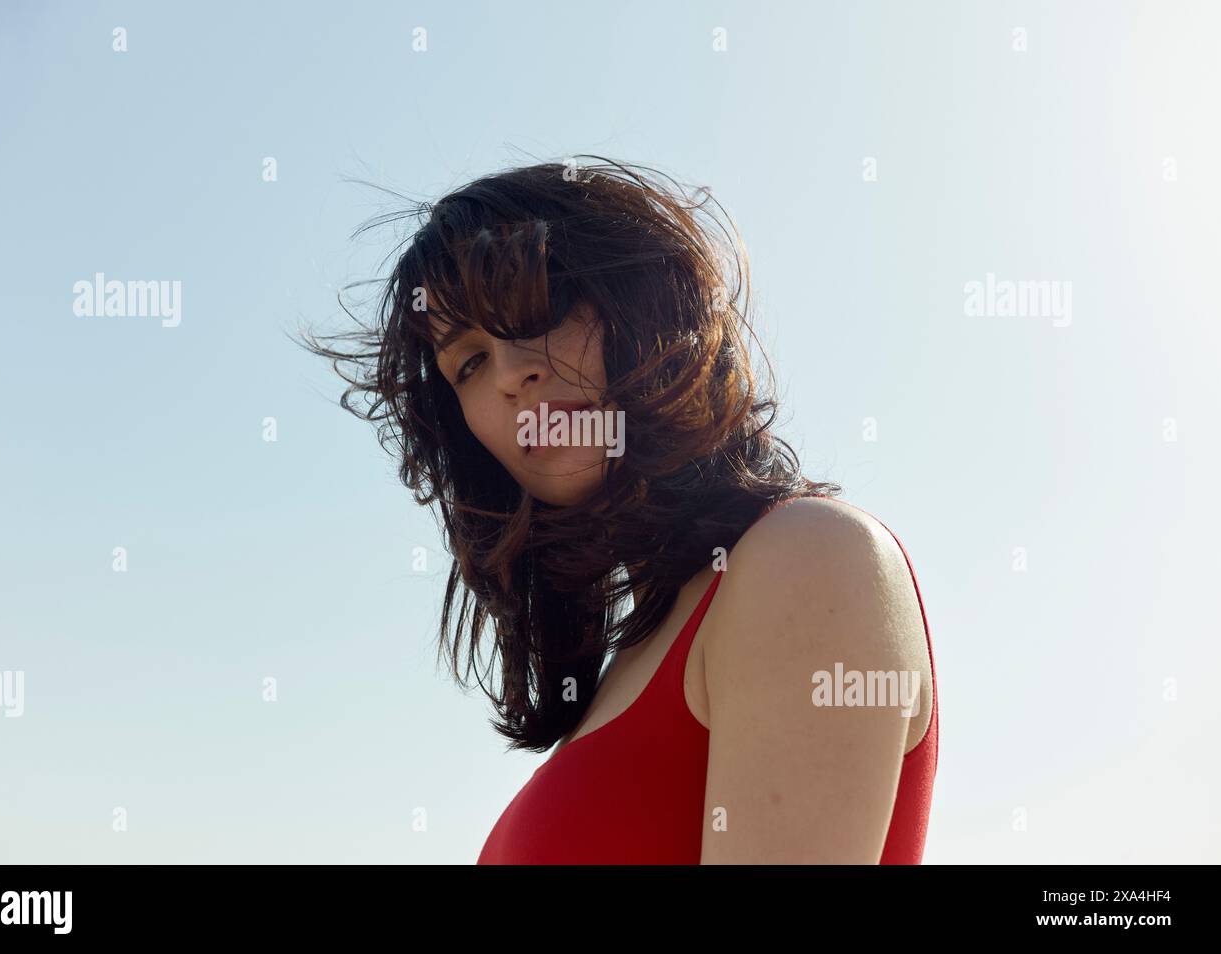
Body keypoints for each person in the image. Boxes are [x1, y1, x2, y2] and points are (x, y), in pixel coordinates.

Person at [299, 156, 938, 864]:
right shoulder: (629, 661)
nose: (512, 374)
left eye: (536, 310)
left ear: (641, 302)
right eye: (470, 362)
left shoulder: (808, 556)